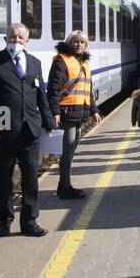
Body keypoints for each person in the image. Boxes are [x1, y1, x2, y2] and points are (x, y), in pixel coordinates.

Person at [0, 22, 54, 237]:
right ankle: (3, 222)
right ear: (5, 39)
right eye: (12, 37)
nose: (16, 41)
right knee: (3, 178)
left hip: (30, 130)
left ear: (27, 41)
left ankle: (30, 222)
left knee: (31, 178)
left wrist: (48, 122)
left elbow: (41, 96)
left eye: (20, 38)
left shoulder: (35, 63)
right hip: (4, 131)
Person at [48, 30, 100, 200]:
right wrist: (55, 111)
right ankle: (65, 187)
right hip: (67, 113)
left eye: (82, 42)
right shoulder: (62, 61)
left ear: (86, 45)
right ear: (69, 43)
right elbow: (54, 89)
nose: (78, 44)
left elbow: (88, 90)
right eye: (75, 41)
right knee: (67, 152)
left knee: (70, 151)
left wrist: (94, 111)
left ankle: (63, 184)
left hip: (79, 113)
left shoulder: (83, 63)